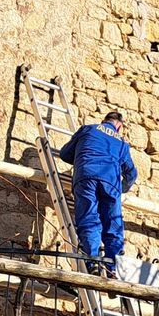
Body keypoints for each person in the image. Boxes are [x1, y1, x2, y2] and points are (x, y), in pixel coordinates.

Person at [57, 109, 137, 275]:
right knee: (113, 225)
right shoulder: (122, 143)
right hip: (111, 183)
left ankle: (92, 262)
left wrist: (80, 157)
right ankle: (112, 268)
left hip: (86, 177)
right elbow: (131, 174)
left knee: (89, 219)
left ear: (104, 120)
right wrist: (121, 189)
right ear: (119, 127)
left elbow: (64, 154)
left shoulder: (88, 129)